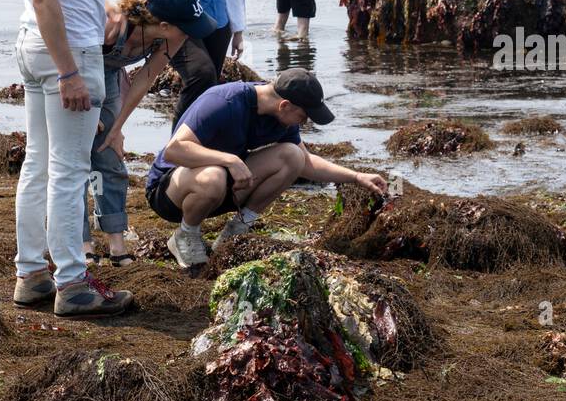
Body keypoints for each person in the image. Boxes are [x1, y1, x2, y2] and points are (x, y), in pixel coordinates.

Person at [10, 0, 137, 317]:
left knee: (39, 164)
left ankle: (32, 275)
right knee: (69, 170)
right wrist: (68, 73)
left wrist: (103, 4)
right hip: (65, 54)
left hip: (40, 46)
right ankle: (73, 285)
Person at [145, 67, 388, 268]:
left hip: (223, 188)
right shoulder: (223, 101)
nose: (304, 123)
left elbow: (307, 163)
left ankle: (237, 231)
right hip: (170, 191)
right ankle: (186, 236)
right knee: (214, 175)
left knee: (292, 156)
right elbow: (174, 149)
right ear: (285, 105)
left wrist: (356, 177)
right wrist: (230, 160)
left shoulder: (281, 119)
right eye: (304, 117)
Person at [81, 0, 217, 266]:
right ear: (165, 25)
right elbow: (74, 56)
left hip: (110, 76)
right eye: (188, 26)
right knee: (78, 159)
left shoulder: (172, 38)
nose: (193, 33)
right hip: (80, 75)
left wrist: (117, 126)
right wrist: (89, 111)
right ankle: (82, 241)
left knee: (109, 155)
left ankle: (116, 240)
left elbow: (145, 78)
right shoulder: (112, 26)